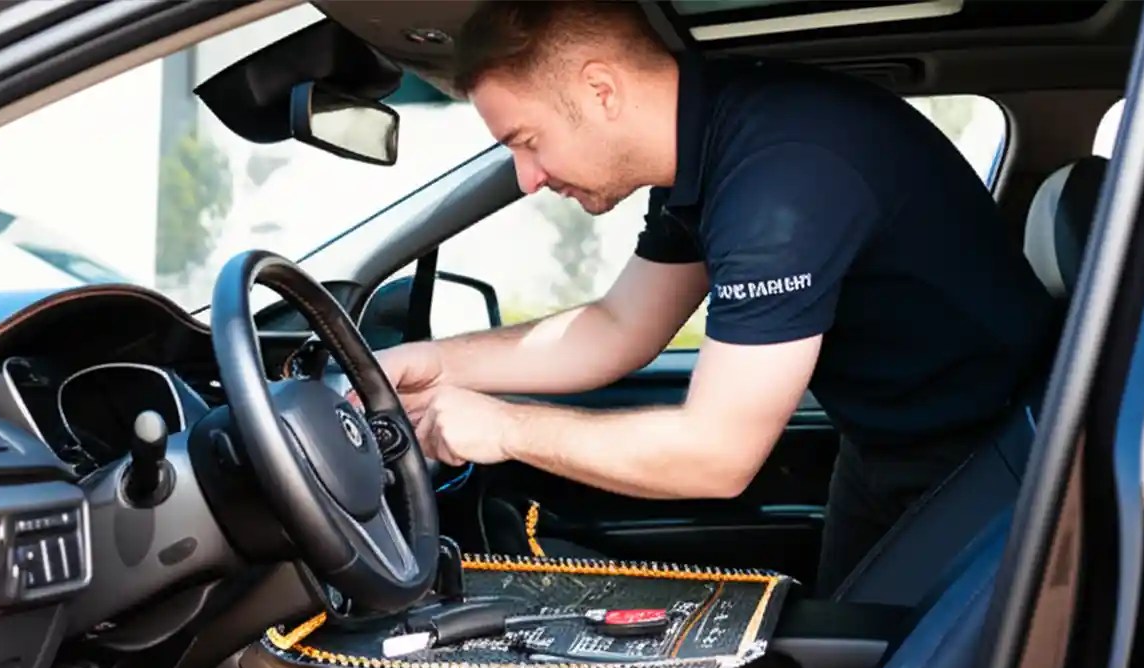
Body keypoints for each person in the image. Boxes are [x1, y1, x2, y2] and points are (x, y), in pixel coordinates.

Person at [366, 0, 1058, 596]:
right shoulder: (713, 142)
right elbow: (618, 326)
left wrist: (505, 429)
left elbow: (717, 455)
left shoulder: (781, 182)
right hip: (885, 441)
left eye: (527, 142)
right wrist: (437, 363)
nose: (527, 178)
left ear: (601, 90)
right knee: (853, 644)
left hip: (993, 460)